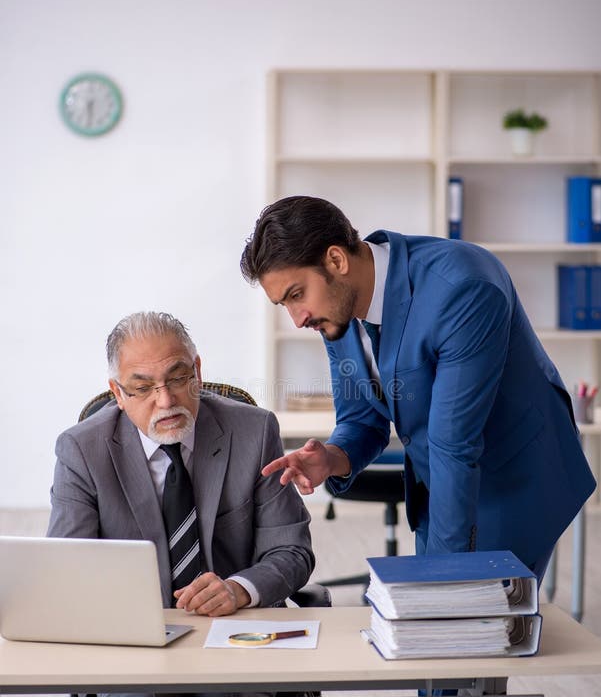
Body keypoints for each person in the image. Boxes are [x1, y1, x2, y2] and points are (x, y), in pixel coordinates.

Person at [241, 195, 596, 584]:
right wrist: (332, 457)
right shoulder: (335, 311)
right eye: (283, 304)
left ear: (336, 261)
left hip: (513, 476)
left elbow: (454, 443)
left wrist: (441, 581)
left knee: (479, 626)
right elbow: (362, 420)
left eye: (296, 295)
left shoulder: (462, 287)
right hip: (441, 480)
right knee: (437, 626)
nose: (297, 319)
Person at [48, 311, 314, 616]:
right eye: (144, 388)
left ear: (197, 372)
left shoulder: (254, 432)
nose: (166, 401)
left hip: (235, 624)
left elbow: (292, 551)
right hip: (132, 627)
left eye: (176, 378)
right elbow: (67, 567)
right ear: (118, 393)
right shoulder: (81, 450)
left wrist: (238, 589)